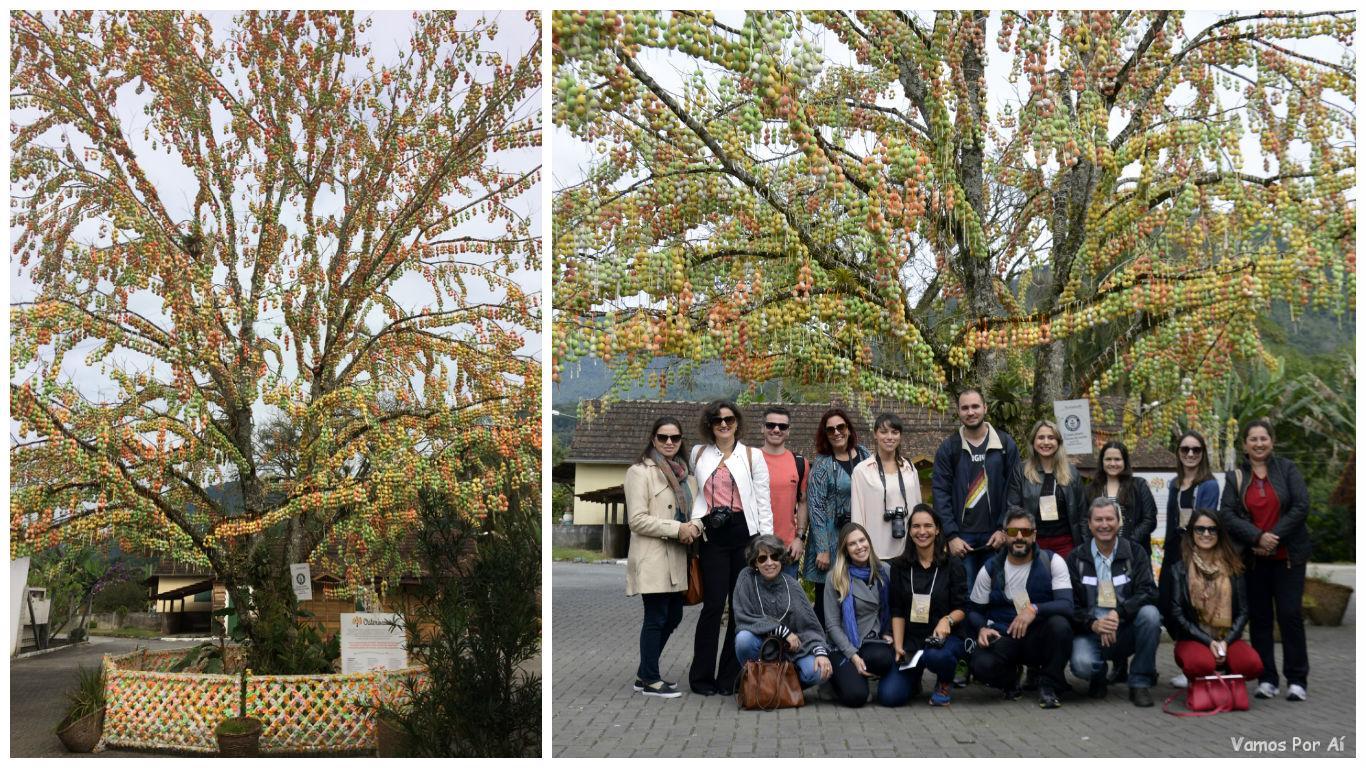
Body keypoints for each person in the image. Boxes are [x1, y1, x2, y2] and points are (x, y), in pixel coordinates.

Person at [1219, 418, 1310, 702]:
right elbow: (1228, 514)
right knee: (1260, 618)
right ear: (1245, 445)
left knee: (1290, 614)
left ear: (1272, 441)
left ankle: (1296, 679)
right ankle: (1267, 679)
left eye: (1264, 438)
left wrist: (1274, 537)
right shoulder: (1236, 476)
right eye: (1253, 439)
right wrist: (1258, 537)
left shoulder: (1287, 469)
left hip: (1287, 558)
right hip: (1254, 559)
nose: (1259, 444)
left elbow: (1301, 506)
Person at [688, 400, 774, 696]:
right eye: (717, 420)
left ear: (737, 422)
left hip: (744, 535)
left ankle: (729, 677)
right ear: (709, 425)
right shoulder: (698, 453)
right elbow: (696, 493)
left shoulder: (753, 455)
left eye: (728, 419)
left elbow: (763, 501)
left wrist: (767, 542)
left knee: (739, 609)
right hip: (712, 534)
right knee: (712, 606)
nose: (723, 424)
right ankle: (701, 678)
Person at [624, 417, 703, 697]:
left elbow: (698, 512)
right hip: (653, 556)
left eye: (675, 437)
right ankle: (650, 680)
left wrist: (695, 526)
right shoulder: (639, 472)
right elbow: (637, 520)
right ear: (653, 439)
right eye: (663, 437)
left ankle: (644, 673)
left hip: (678, 557)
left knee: (674, 616)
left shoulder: (687, 476)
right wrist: (677, 528)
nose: (669, 442)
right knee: (656, 617)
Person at [967, 508, 1074, 709]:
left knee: (1061, 626)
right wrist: (982, 628)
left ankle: (1049, 684)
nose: (1019, 537)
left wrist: (1034, 609)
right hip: (1004, 636)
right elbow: (973, 611)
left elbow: (1067, 605)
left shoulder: (1052, 562)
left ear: (1034, 535)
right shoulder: (989, 569)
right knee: (980, 666)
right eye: (1013, 531)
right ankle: (1010, 680)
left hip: (1038, 638)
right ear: (1005, 535)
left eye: (1025, 532)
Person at [1065, 498, 1161, 707]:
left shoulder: (1135, 553)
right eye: (1098, 520)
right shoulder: (1075, 558)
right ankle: (1098, 676)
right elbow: (1070, 604)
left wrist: (1119, 613)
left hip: (1124, 627)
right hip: (1091, 630)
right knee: (1082, 664)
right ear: (1089, 524)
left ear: (1119, 522)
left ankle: (1139, 682)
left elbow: (1148, 591)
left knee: (1151, 615)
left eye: (1109, 518)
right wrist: (1093, 624)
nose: (1104, 524)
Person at [1163, 510, 1263, 689]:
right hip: (1193, 638)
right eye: (1200, 529)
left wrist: (1225, 642)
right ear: (1192, 533)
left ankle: (1226, 679)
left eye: (1212, 529)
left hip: (1226, 638)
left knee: (1252, 665)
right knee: (1199, 665)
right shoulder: (1180, 569)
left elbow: (1243, 611)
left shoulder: (1234, 567)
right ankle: (1203, 677)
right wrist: (1209, 642)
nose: (1206, 534)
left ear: (1220, 533)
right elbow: (1177, 613)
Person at [932, 387, 1021, 583]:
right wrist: (951, 535)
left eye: (975, 406)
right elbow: (940, 493)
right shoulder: (949, 448)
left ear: (985, 408)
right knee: (966, 596)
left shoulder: (1005, 445)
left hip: (996, 536)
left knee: (997, 592)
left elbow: (1014, 490)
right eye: (965, 408)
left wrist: (1004, 529)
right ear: (958, 412)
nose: (970, 412)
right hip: (962, 540)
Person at [821, 523, 912, 707]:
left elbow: (894, 607)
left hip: (873, 640)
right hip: (843, 645)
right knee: (856, 697)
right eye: (852, 544)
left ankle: (870, 676)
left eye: (862, 540)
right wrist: (853, 656)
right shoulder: (836, 577)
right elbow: (832, 626)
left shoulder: (884, 571)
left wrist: (889, 632)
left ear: (869, 542)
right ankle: (836, 682)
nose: (859, 546)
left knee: (882, 658)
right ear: (845, 550)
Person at [1159, 429, 1221, 687]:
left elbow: (1205, 523)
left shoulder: (1208, 484)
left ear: (1203, 453)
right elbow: (1173, 520)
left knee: (1193, 608)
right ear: (1179, 453)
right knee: (1167, 606)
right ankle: (1191, 661)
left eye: (1196, 449)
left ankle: (1198, 666)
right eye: (1185, 449)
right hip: (1173, 552)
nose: (1190, 454)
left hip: (1195, 552)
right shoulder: (1176, 484)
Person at [889, 504, 968, 706]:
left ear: (938, 529)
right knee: (890, 697)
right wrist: (899, 647)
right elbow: (897, 609)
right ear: (909, 530)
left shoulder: (953, 564)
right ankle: (914, 680)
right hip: (912, 640)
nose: (922, 532)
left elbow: (962, 608)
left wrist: (947, 620)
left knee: (937, 657)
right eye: (916, 526)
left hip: (942, 639)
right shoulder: (899, 566)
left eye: (928, 526)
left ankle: (943, 682)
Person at [733, 534, 833, 692]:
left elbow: (811, 627)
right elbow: (743, 617)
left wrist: (820, 652)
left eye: (774, 557)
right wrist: (782, 631)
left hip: (791, 650)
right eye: (762, 559)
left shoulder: (791, 585)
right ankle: (756, 681)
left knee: (819, 672)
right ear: (754, 563)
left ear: (781, 559)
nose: (769, 563)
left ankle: (779, 688)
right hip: (761, 646)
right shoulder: (746, 578)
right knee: (743, 639)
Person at [802, 407, 870, 629]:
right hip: (830, 540)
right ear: (825, 434)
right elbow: (816, 507)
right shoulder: (822, 464)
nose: (836, 432)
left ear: (849, 429)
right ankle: (822, 650)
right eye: (830, 429)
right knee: (827, 599)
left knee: (858, 594)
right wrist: (822, 548)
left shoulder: (864, 455)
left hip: (859, 537)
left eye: (841, 427)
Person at [1007, 419, 1086, 558]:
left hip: (1065, 543)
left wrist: (1086, 547)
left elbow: (1082, 514)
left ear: (1058, 442)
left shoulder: (1072, 473)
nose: (1046, 442)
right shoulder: (1021, 471)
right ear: (1033, 442)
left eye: (1051, 437)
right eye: (1041, 437)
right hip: (1033, 542)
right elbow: (1013, 508)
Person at [850, 413, 922, 560]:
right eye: (883, 432)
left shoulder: (909, 467)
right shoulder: (862, 471)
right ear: (875, 434)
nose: (889, 437)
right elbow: (857, 516)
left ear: (900, 436)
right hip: (876, 552)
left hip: (908, 550)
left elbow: (918, 508)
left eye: (895, 432)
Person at [759, 406, 808, 579]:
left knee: (787, 603)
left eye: (782, 426)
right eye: (771, 425)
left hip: (787, 549)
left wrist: (800, 538)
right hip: (756, 549)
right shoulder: (749, 460)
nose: (776, 429)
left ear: (788, 431)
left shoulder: (800, 463)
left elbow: (803, 502)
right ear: (763, 428)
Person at [1084, 440, 1157, 554]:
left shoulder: (1139, 485)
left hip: (1135, 552)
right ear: (1102, 462)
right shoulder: (1091, 489)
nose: (1113, 463)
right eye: (1108, 459)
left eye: (1117, 459)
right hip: (1100, 552)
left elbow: (1150, 520)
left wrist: (1127, 544)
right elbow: (1085, 521)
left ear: (1125, 462)